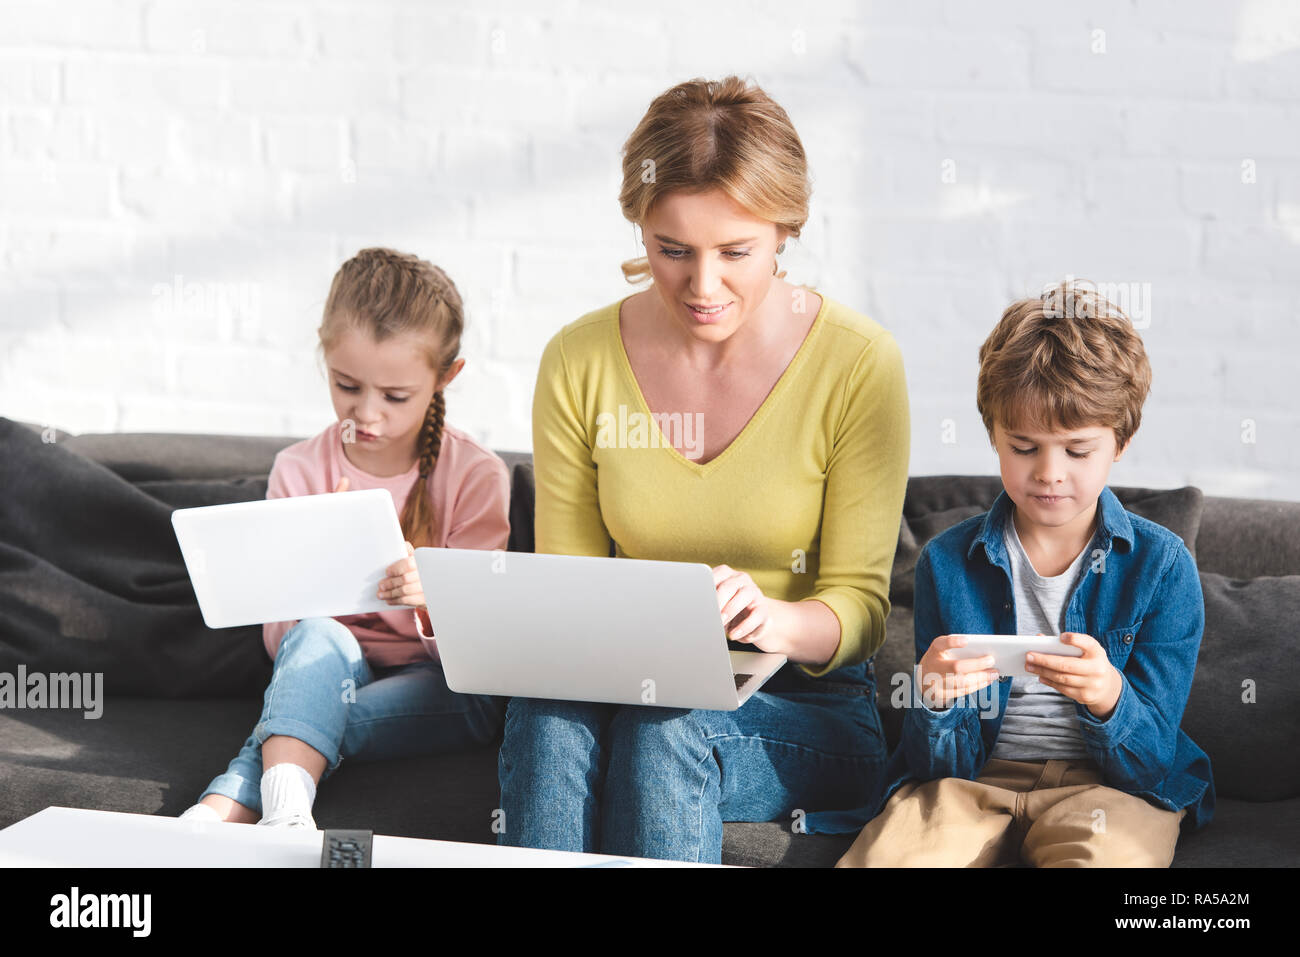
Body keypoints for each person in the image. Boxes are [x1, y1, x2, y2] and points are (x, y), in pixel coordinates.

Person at [497, 76, 911, 863]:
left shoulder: (859, 364)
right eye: (672, 250)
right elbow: (571, 586)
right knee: (547, 718)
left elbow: (859, 612)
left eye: (737, 252)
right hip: (624, 677)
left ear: (786, 228)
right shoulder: (578, 360)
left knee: (670, 728)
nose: (703, 285)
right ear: (639, 224)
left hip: (805, 700)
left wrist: (774, 619)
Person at [836, 280, 1214, 867]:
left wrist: (1111, 698)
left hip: (1107, 790)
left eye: (1077, 451)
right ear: (993, 435)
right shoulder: (947, 563)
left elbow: (1151, 761)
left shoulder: (1162, 568)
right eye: (1024, 446)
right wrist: (932, 704)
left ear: (1122, 442)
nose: (1049, 473)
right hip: (972, 785)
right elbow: (940, 769)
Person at [179, 247, 510, 829]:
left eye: (395, 396)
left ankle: (225, 804)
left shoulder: (476, 475)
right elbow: (280, 640)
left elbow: (484, 647)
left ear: (446, 377)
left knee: (304, 711)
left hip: (447, 687)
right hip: (330, 667)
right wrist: (315, 572)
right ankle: (285, 820)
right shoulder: (298, 468)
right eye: (347, 385)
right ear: (324, 358)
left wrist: (430, 598)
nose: (367, 414)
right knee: (314, 636)